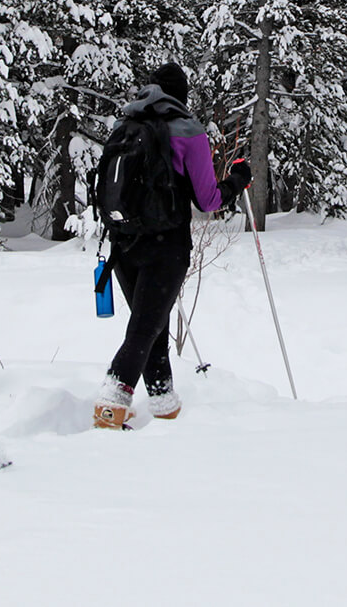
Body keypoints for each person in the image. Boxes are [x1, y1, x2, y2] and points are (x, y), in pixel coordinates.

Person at [94, 62, 250, 429]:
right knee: (145, 329)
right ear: (181, 94)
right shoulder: (187, 131)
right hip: (165, 247)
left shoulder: (124, 126)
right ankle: (110, 407)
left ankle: (164, 406)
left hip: (123, 242)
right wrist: (238, 180)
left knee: (152, 325)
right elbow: (208, 200)